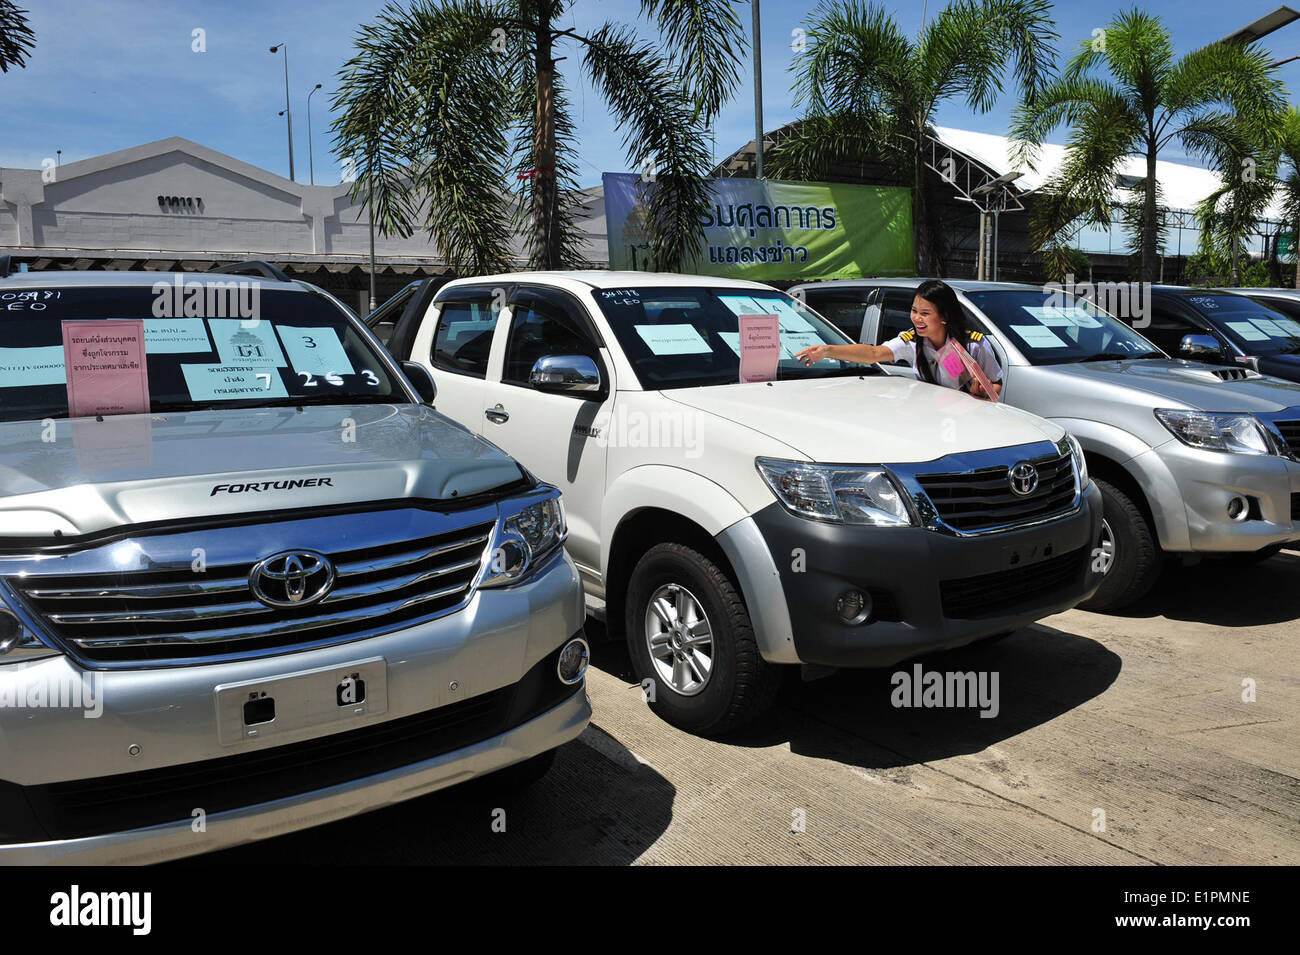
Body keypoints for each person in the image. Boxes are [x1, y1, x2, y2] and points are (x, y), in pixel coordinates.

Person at [794, 279, 1003, 400]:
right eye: (914, 311)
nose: (917, 319)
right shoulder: (912, 342)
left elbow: (996, 383)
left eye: (925, 313)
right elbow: (874, 354)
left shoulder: (974, 344)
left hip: (967, 420)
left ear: (945, 316)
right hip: (930, 417)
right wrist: (828, 350)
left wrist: (982, 391)